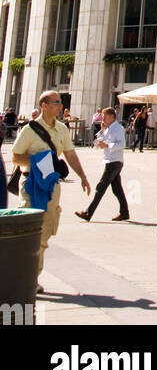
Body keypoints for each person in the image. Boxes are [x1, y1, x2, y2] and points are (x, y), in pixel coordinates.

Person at [11, 90, 92, 289]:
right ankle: (25, 277)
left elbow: (70, 154)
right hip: (31, 183)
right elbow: (15, 157)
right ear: (44, 105)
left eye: (61, 102)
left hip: (51, 185)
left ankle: (33, 277)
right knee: (30, 228)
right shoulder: (29, 130)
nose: (61, 105)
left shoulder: (62, 129)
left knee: (45, 230)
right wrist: (38, 162)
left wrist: (82, 176)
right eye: (56, 102)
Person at [75, 107, 129, 222]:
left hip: (114, 161)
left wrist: (108, 145)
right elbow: (98, 141)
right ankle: (124, 212)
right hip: (110, 160)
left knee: (101, 187)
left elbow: (122, 144)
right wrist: (102, 130)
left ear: (112, 117)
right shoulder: (108, 128)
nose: (102, 119)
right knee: (117, 189)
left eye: (104, 116)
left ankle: (88, 213)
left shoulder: (118, 128)